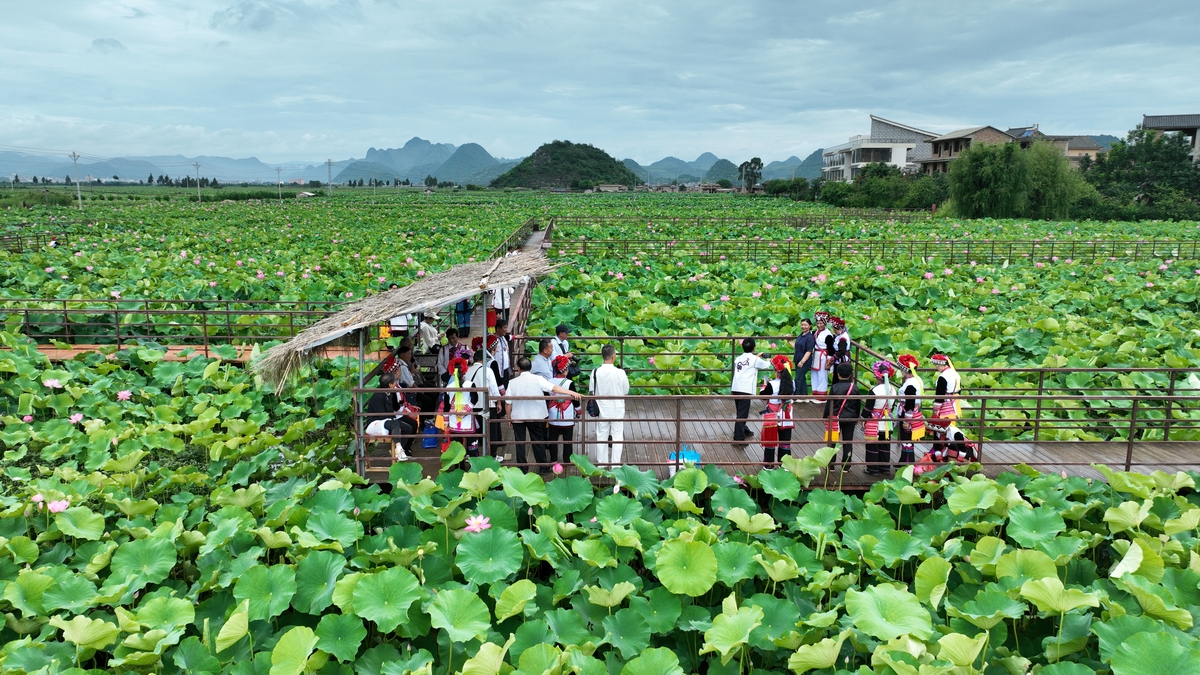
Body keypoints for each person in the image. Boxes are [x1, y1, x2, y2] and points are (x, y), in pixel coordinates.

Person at [506, 356, 581, 472]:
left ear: (518, 368)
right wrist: (571, 392)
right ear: (530, 367)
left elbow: (508, 403)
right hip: (536, 416)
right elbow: (554, 388)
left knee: (520, 442)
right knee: (538, 441)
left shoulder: (512, 383)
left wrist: (508, 417)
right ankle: (543, 466)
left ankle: (522, 468)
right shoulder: (538, 379)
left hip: (518, 416)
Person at [590, 344, 630, 466]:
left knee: (601, 436)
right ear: (613, 356)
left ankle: (601, 465)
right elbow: (626, 390)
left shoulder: (595, 372)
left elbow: (592, 390)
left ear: (602, 356)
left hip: (602, 409)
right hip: (617, 408)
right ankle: (615, 465)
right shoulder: (620, 373)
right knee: (617, 437)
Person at [731, 338, 771, 448]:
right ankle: (738, 438)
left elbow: (747, 362)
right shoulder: (755, 360)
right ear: (754, 348)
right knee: (742, 414)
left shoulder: (739, 358)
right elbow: (766, 365)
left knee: (740, 411)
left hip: (736, 387)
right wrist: (767, 359)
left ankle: (745, 430)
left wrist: (756, 356)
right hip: (745, 389)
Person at [364, 372, 414, 459]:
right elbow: (381, 415)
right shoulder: (378, 396)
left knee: (408, 428)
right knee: (395, 423)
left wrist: (394, 395)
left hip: (387, 420)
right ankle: (399, 449)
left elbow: (395, 407)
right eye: (395, 382)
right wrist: (393, 420)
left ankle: (398, 450)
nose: (396, 384)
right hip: (375, 423)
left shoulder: (390, 392)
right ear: (390, 384)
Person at [464, 349, 502, 457]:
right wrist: (498, 402)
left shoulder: (467, 370)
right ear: (483, 359)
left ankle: (472, 455)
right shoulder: (487, 370)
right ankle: (492, 455)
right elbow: (494, 388)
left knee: (474, 431)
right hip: (487, 405)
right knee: (491, 431)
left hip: (472, 406)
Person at [862, 361, 898, 475]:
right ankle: (885, 468)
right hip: (887, 421)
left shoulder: (874, 391)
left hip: (874, 421)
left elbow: (867, 409)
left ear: (878, 377)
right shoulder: (893, 390)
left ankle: (873, 469)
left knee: (872, 446)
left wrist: (864, 419)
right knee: (885, 445)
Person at [824, 363, 861, 471]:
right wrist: (856, 417)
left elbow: (829, 404)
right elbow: (857, 404)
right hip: (850, 417)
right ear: (850, 374)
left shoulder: (835, 387)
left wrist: (826, 416)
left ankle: (831, 465)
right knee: (848, 442)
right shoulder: (854, 388)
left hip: (835, 418)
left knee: (833, 442)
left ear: (838, 374)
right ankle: (846, 466)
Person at [760, 354, 795, 464]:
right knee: (785, 442)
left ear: (776, 371)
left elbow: (763, 395)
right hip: (787, 415)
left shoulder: (772, 384)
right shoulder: (792, 383)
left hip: (772, 415)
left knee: (770, 441)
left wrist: (764, 385)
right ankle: (784, 465)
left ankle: (768, 465)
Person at [893, 354, 926, 466]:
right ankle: (904, 460)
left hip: (908, 413)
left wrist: (907, 420)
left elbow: (910, 403)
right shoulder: (918, 380)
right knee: (908, 440)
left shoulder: (910, 384)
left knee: (906, 439)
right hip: (915, 412)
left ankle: (906, 462)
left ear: (904, 370)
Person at [546, 355, 580, 463]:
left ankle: (553, 459)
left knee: (553, 438)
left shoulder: (549, 381)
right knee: (567, 438)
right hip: (567, 412)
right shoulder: (569, 383)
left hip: (552, 411)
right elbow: (575, 399)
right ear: (565, 370)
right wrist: (579, 410)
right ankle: (567, 459)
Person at [931, 354, 962, 420]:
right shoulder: (956, 374)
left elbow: (939, 395)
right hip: (955, 403)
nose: (936, 367)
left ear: (941, 365)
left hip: (946, 404)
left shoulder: (943, 377)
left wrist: (936, 410)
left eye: (936, 365)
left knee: (943, 424)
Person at [792, 318, 816, 403]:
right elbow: (797, 346)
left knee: (798, 378)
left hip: (804, 361)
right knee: (802, 378)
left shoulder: (810, 337)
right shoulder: (801, 335)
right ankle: (804, 396)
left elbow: (809, 351)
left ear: (810, 326)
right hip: (798, 359)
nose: (803, 326)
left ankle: (796, 396)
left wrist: (802, 361)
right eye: (802, 325)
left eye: (805, 325)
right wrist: (789, 341)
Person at [811, 312, 832, 399]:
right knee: (814, 374)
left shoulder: (828, 334)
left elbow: (830, 348)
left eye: (821, 323)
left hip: (823, 356)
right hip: (816, 354)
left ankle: (821, 396)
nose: (819, 325)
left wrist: (829, 360)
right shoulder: (815, 332)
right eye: (818, 323)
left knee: (822, 375)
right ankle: (815, 393)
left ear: (825, 323)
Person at [828, 316, 851, 385]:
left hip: (842, 362)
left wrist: (833, 358)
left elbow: (842, 351)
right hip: (841, 361)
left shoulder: (843, 339)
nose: (834, 331)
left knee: (839, 380)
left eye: (835, 329)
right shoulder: (841, 335)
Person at [490, 322, 513, 388]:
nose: (506, 330)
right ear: (498, 329)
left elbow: (508, 337)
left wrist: (515, 337)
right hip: (496, 370)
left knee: (506, 387)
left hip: (505, 369)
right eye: (504, 327)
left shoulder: (503, 338)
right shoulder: (492, 340)